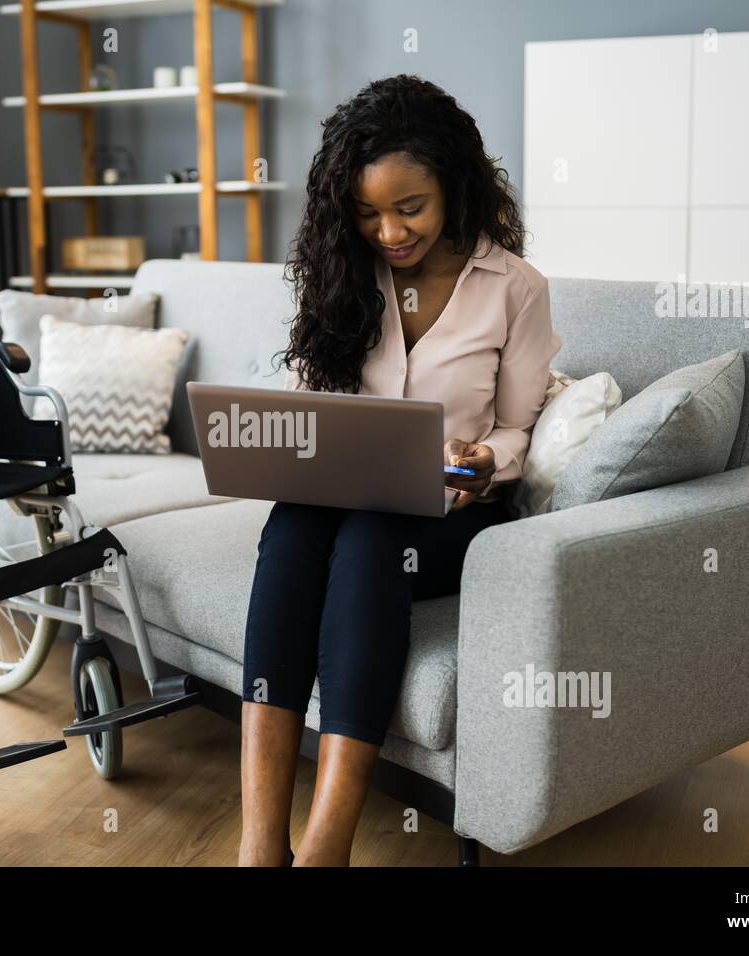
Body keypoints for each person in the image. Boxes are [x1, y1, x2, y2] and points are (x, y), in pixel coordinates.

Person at [238, 74, 562, 866]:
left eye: (408, 207)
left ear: (453, 185)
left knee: (376, 538)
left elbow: (518, 426)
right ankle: (258, 845)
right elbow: (308, 407)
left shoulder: (515, 288)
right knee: (293, 529)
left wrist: (488, 460)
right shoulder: (341, 272)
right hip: (344, 500)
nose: (388, 231)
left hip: (456, 512)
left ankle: (326, 848)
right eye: (368, 211)